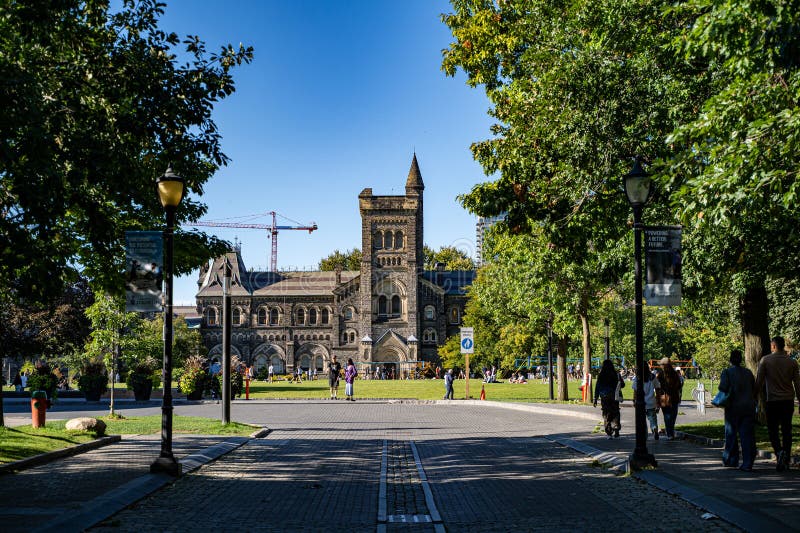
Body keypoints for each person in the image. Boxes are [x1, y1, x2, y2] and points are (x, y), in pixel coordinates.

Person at [755, 336, 800, 471]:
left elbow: (759, 381)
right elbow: (797, 384)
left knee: (773, 430)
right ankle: (785, 457)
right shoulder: (792, 362)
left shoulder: (766, 360)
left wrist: (753, 396)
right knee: (787, 430)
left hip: (773, 401)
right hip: (787, 400)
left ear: (774, 346)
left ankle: (779, 451)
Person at [719, 349, 756, 471]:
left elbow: (723, 387)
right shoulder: (748, 373)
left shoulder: (727, 372)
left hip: (733, 407)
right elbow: (753, 388)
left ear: (730, 359)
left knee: (731, 434)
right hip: (748, 407)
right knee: (747, 436)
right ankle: (748, 462)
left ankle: (731, 459)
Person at [593, 359, 624, 438]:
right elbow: (622, 385)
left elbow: (597, 387)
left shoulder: (601, 375)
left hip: (604, 396)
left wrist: (595, 398)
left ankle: (609, 431)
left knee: (606, 413)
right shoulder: (616, 374)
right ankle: (616, 426)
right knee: (615, 411)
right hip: (614, 395)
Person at [657, 357, 683, 440]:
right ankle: (670, 432)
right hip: (674, 397)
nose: (660, 366)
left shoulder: (660, 374)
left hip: (664, 398)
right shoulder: (675, 374)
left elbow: (658, 387)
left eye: (661, 365)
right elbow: (679, 385)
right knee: (672, 416)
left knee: (667, 416)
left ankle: (669, 434)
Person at [632, 367, 660, 440]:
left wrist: (634, 400)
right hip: (651, 401)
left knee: (642, 420)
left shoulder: (637, 378)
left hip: (641, 402)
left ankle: (644, 435)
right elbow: (657, 388)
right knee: (652, 418)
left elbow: (635, 391)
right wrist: (658, 401)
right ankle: (654, 428)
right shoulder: (652, 377)